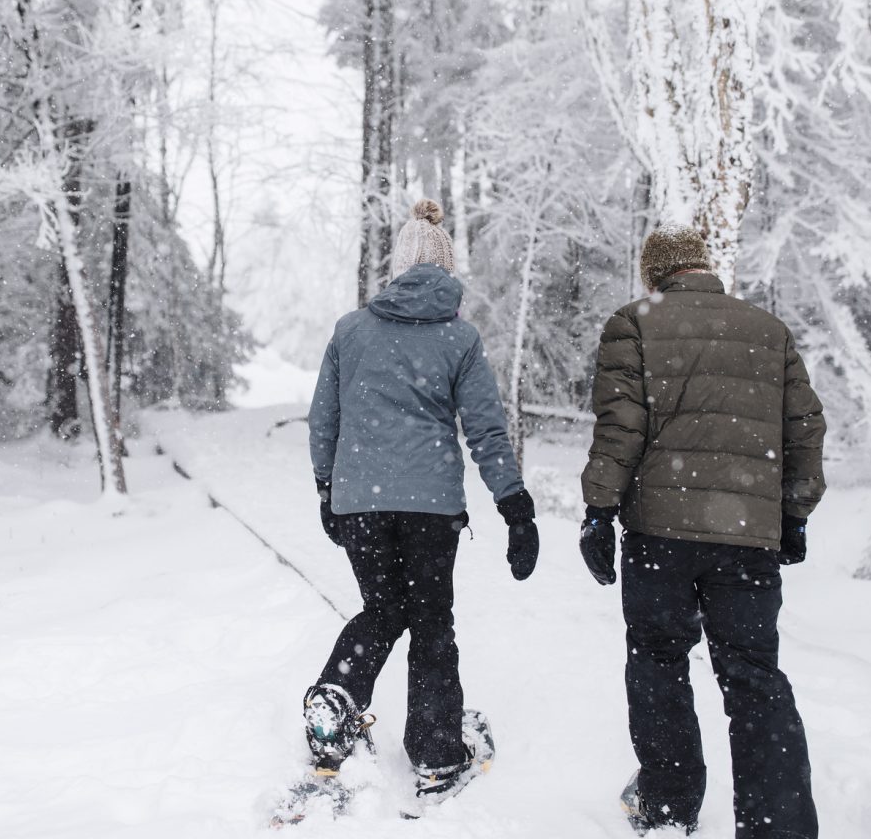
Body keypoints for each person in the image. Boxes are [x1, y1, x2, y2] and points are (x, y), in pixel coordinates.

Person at [577, 224, 826, 839]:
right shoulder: (769, 331)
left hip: (659, 533)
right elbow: (806, 430)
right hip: (745, 537)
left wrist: (599, 512)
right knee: (753, 674)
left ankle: (668, 804)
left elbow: (620, 428)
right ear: (705, 267)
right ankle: (778, 826)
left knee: (658, 659)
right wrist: (792, 514)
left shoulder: (632, 323)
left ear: (652, 272)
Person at [302, 198, 538, 807]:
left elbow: (323, 419)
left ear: (397, 267)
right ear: (446, 268)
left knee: (382, 608)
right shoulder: (459, 337)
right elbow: (485, 429)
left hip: (360, 502)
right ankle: (436, 752)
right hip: (430, 506)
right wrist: (514, 505)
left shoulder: (350, 330)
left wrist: (329, 488)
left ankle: (337, 697)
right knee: (431, 620)